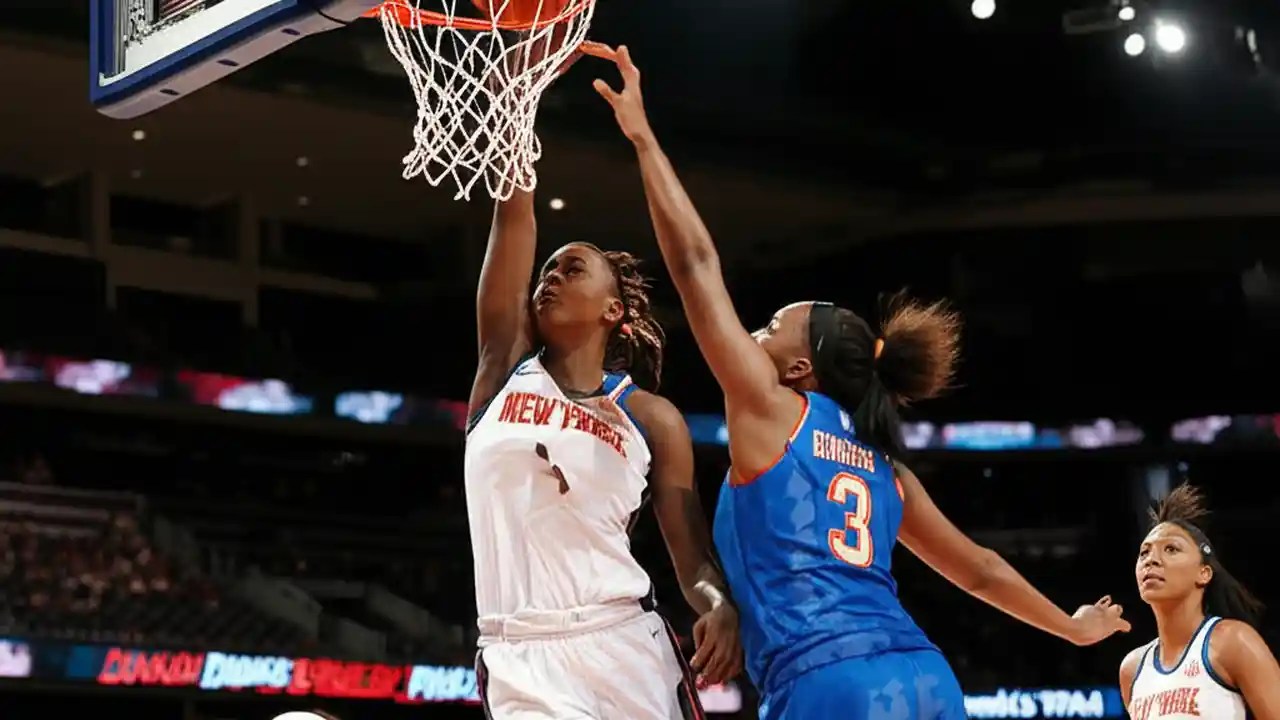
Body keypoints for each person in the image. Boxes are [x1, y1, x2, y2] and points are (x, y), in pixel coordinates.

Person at [591, 46, 1132, 719]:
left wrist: (643, 139)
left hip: (830, 684)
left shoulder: (769, 409)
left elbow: (696, 264)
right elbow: (979, 570)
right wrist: (1073, 627)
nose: (750, 336)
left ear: (798, 370)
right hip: (927, 678)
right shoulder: (888, 467)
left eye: (767, 327)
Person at [464, 175, 742, 718]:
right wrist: (516, 122)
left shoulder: (650, 417)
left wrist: (719, 605)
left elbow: (693, 563)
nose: (552, 277)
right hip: (518, 650)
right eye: (548, 269)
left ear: (613, 310)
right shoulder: (503, 371)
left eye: (572, 270)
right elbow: (514, 217)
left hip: (623, 640)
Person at [1120, 483, 1280, 719]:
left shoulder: (1232, 642)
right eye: (1144, 552)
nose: (1151, 560)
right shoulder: (1132, 669)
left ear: (1203, 573)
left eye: (1171, 549)